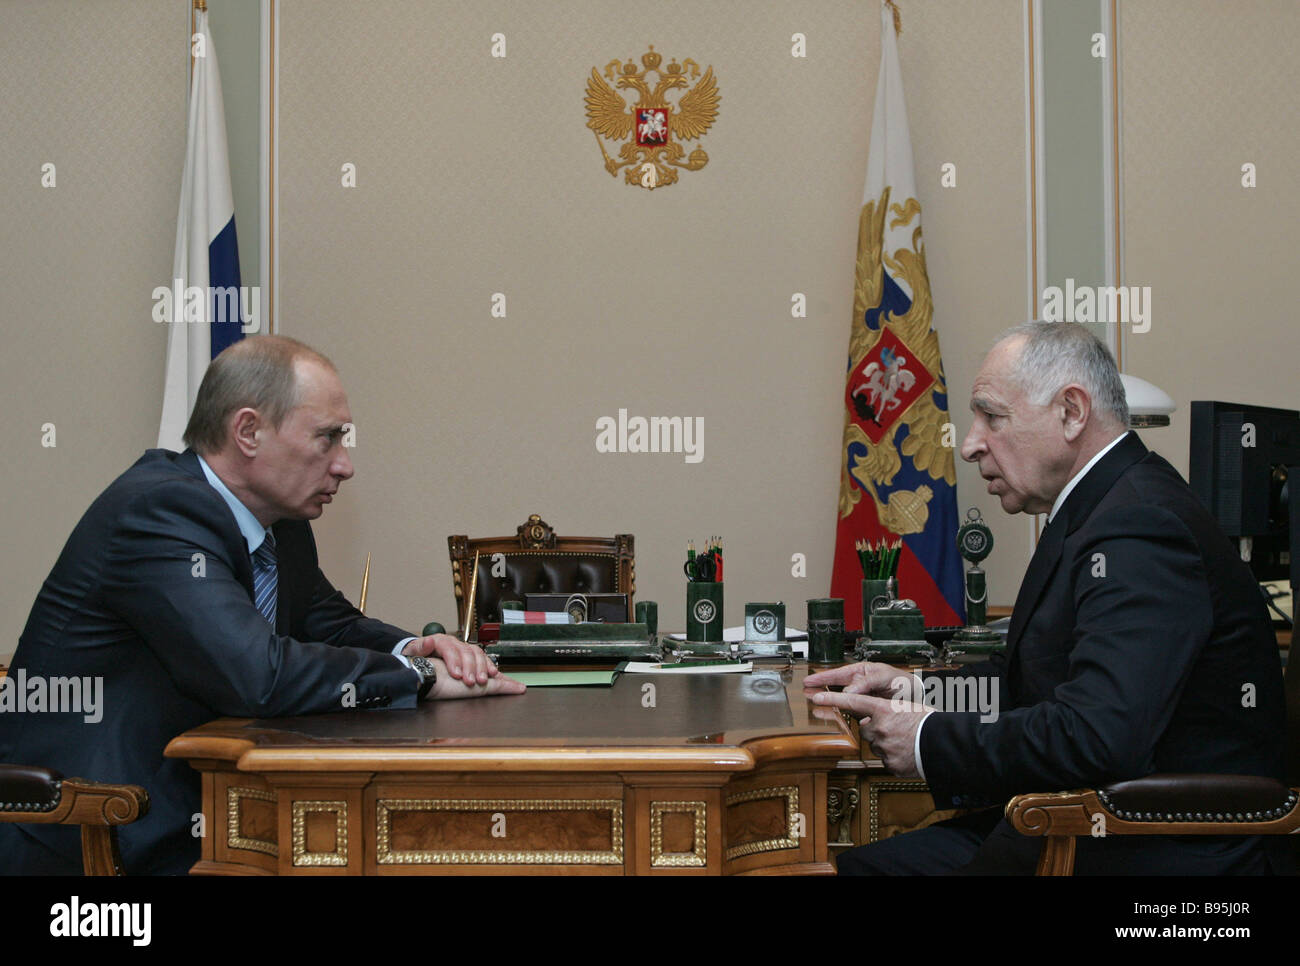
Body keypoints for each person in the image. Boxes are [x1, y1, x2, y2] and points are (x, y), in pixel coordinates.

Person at [0, 336, 524, 875]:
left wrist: (413, 645)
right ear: (248, 431)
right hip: (97, 834)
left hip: (207, 810)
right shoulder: (158, 511)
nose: (344, 465)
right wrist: (418, 676)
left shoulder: (279, 519)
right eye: (327, 438)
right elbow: (257, 675)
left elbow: (326, 621)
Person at [808, 321, 1287, 874]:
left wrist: (926, 740)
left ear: (1071, 412)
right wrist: (917, 688)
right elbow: (1034, 682)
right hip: (1084, 825)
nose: (969, 444)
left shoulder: (1139, 525)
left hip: (1158, 854)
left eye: (992, 416)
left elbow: (1098, 736)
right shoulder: (1102, 507)